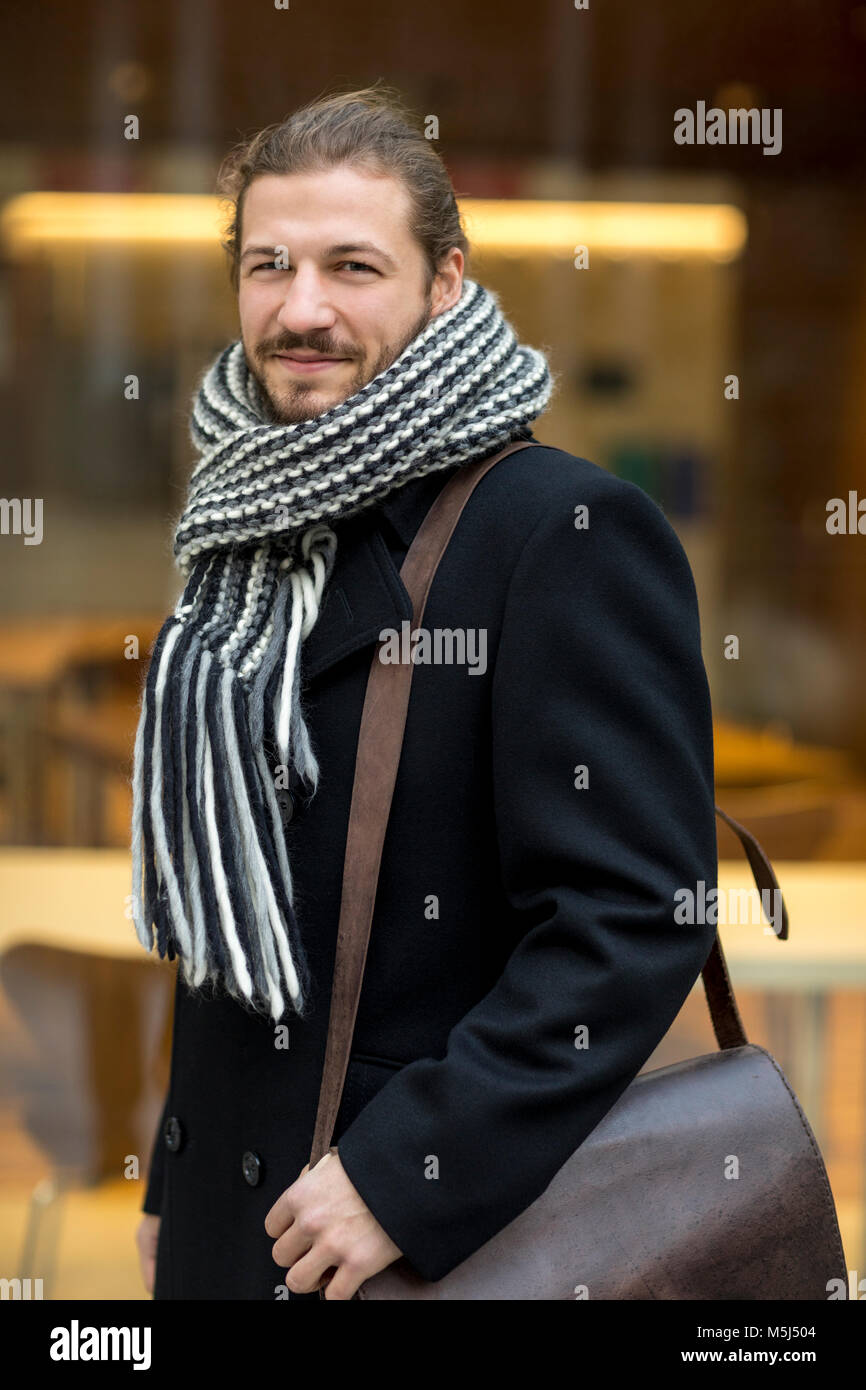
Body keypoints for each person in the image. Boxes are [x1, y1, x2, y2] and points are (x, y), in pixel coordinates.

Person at [133, 82, 718, 1301]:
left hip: (404, 1238)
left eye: (352, 266)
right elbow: (231, 924)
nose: (300, 309)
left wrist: (408, 1174)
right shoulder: (242, 537)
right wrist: (172, 1181)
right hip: (232, 1221)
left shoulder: (556, 529)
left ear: (444, 283)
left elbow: (630, 915)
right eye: (267, 265)